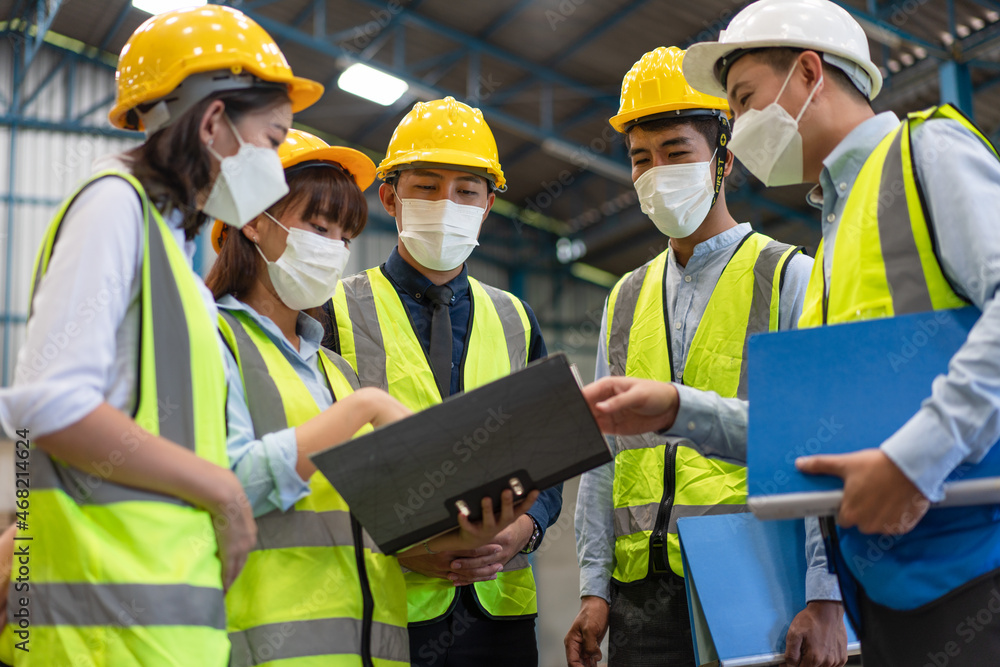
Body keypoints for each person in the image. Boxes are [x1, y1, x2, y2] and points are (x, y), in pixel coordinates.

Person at [591, 0, 1000, 664]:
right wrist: (677, 408)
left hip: (972, 567)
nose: (743, 126)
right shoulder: (837, 234)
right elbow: (808, 443)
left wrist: (914, 457)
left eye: (747, 100)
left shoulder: (927, 152)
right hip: (892, 586)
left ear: (809, 73)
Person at [0, 6, 323, 665]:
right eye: (273, 138)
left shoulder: (173, 252)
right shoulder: (113, 205)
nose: (278, 168)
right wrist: (224, 492)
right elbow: (47, 406)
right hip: (99, 632)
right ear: (213, 124)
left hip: (158, 632)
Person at [207, 128, 537, 667]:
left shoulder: (330, 370)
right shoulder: (213, 340)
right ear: (252, 221)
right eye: (318, 228)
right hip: (271, 638)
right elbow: (221, 489)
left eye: (342, 235)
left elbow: (361, 503)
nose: (331, 249)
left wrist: (484, 532)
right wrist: (367, 409)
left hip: (369, 640)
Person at [566, 46, 846, 667]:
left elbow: (821, 443)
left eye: (675, 153)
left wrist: (826, 593)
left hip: (755, 581)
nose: (656, 171)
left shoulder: (788, 277)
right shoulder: (624, 297)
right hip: (640, 595)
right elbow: (601, 457)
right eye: (642, 159)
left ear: (721, 159)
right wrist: (593, 588)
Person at [323, 96, 562, 667]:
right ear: (390, 197)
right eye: (426, 187)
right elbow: (310, 463)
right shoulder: (331, 311)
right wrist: (396, 544)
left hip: (499, 613)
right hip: (384, 605)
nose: (446, 204)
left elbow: (549, 460)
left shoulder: (516, 318)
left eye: (466, 192)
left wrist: (524, 531)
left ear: (487, 207)